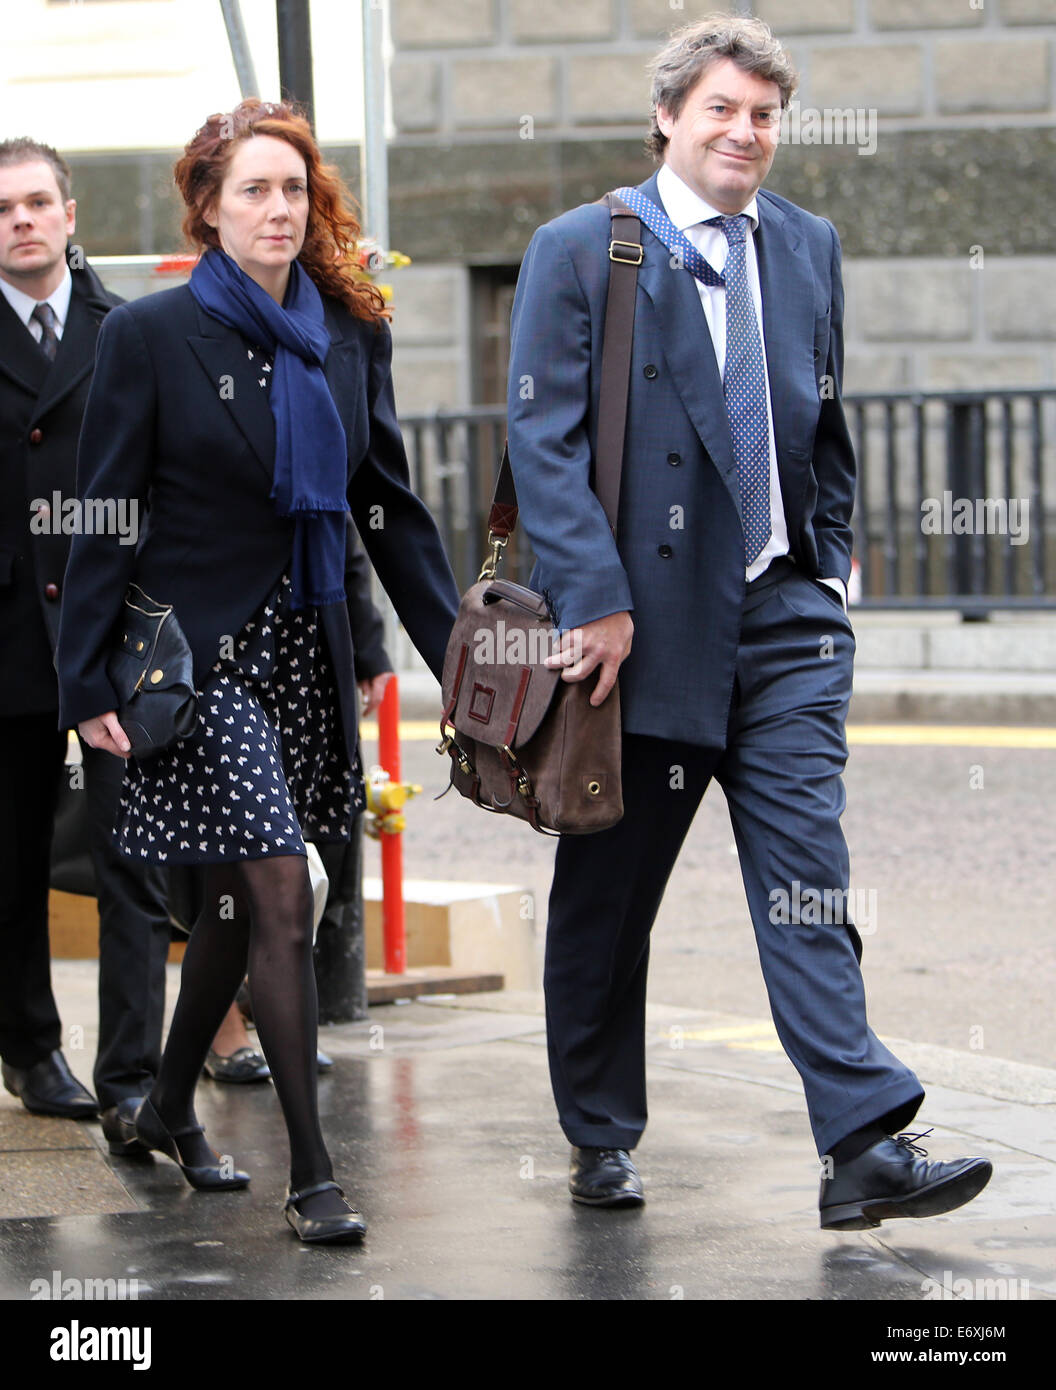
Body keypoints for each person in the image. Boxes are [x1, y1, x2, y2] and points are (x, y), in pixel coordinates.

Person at [505, 15, 992, 1229]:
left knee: (807, 885)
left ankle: (863, 1141)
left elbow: (824, 419)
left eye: (765, 114)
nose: (746, 132)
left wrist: (831, 571)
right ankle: (601, 1131)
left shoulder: (810, 245)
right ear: (669, 116)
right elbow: (545, 444)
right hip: (643, 633)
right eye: (722, 108)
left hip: (785, 629)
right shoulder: (583, 249)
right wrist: (597, 598)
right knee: (612, 901)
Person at [56, 99, 459, 1243]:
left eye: (293, 190)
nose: (276, 209)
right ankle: (314, 1172)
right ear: (210, 209)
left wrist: (457, 659)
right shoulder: (149, 334)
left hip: (306, 646)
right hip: (198, 661)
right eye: (252, 192)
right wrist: (84, 680)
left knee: (235, 904)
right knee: (279, 887)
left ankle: (167, 1106)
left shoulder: (346, 329)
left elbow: (384, 503)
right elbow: (106, 517)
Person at [0, 138, 173, 1144]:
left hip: (113, 633)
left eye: (35, 203)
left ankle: (133, 1077)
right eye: (3, 209)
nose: (20, 220)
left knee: (132, 860)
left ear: (70, 214)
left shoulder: (129, 330)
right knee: (13, 859)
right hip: (9, 635)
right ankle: (29, 1047)